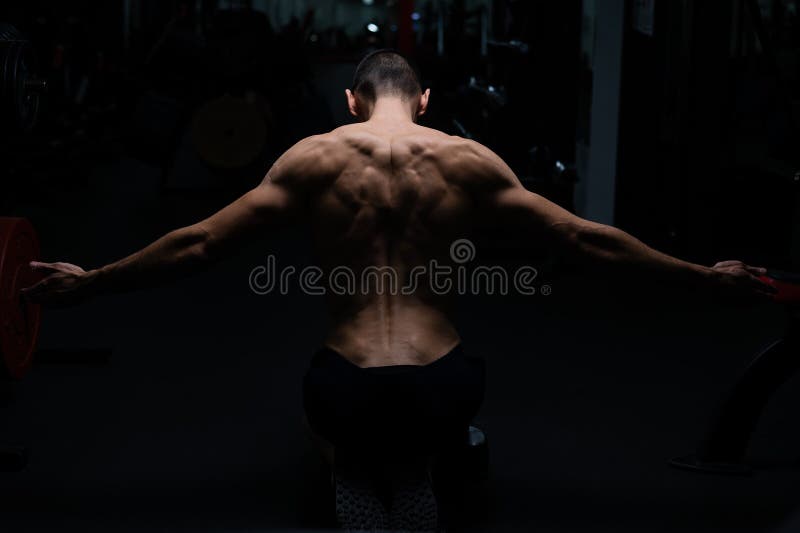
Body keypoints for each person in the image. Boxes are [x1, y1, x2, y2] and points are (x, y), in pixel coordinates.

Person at [22, 50, 775, 531]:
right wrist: (704, 278)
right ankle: (416, 466)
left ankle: (352, 465)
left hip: (342, 388)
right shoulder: (469, 159)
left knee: (331, 416)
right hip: (443, 386)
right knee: (433, 420)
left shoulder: (310, 157)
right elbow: (585, 239)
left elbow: (200, 242)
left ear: (351, 101)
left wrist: (94, 283)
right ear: (422, 101)